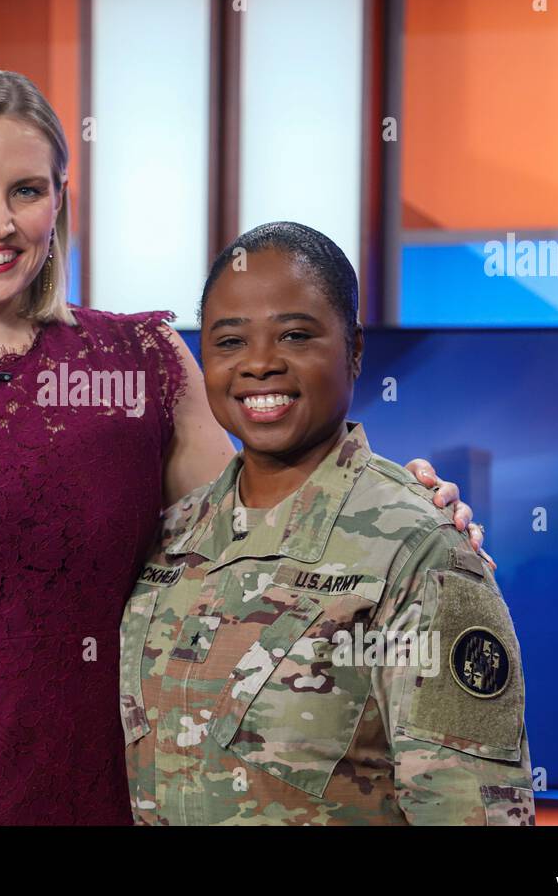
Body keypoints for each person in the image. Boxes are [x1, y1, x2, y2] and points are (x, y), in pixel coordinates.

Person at [0, 70, 483, 825]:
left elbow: (260, 533)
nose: (0, 222)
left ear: (59, 203)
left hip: (97, 791)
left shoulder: (143, 362)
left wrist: (403, 509)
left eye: (26, 190)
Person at [119, 221, 533, 825]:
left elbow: (468, 815)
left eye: (295, 334)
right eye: (229, 342)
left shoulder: (420, 551)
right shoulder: (165, 542)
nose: (259, 364)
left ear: (355, 349)